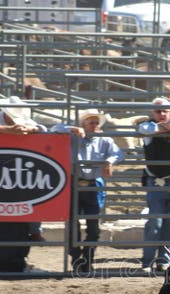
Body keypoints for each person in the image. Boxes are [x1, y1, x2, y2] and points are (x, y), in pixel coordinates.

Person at [51, 108, 125, 273]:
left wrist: (109, 161)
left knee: (94, 227)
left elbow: (118, 153)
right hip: (73, 183)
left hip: (92, 184)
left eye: (96, 122)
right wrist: (71, 129)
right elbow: (53, 129)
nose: (95, 125)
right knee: (72, 224)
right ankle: (77, 257)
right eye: (91, 122)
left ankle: (88, 257)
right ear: (82, 124)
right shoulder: (71, 135)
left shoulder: (104, 139)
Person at [137, 97, 170, 273]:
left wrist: (164, 128)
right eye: (158, 111)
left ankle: (164, 259)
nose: (162, 114)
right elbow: (145, 129)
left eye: (165, 111)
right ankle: (147, 261)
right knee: (156, 222)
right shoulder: (148, 124)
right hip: (156, 179)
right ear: (151, 112)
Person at [0, 96, 48, 242]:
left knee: (30, 198)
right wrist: (10, 130)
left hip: (18, 163)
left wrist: (30, 129)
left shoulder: (23, 118)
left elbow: (42, 129)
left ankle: (35, 230)